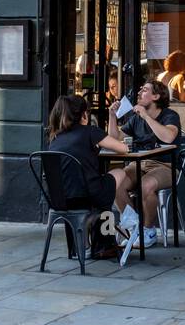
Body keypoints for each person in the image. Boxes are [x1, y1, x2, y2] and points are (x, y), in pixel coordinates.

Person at [47, 95, 132, 262]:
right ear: (84, 115)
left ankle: (85, 242)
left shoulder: (55, 138)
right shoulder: (90, 132)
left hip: (61, 200)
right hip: (89, 196)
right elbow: (123, 148)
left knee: (103, 191)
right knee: (119, 174)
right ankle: (101, 240)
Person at [107, 80, 182, 250]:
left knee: (145, 185)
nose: (140, 92)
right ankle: (134, 227)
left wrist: (146, 117)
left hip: (165, 166)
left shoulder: (169, 115)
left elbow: (169, 137)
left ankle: (148, 230)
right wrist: (112, 116)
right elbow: (115, 138)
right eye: (140, 89)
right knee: (115, 183)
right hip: (139, 164)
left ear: (156, 96)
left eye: (145, 90)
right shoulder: (135, 118)